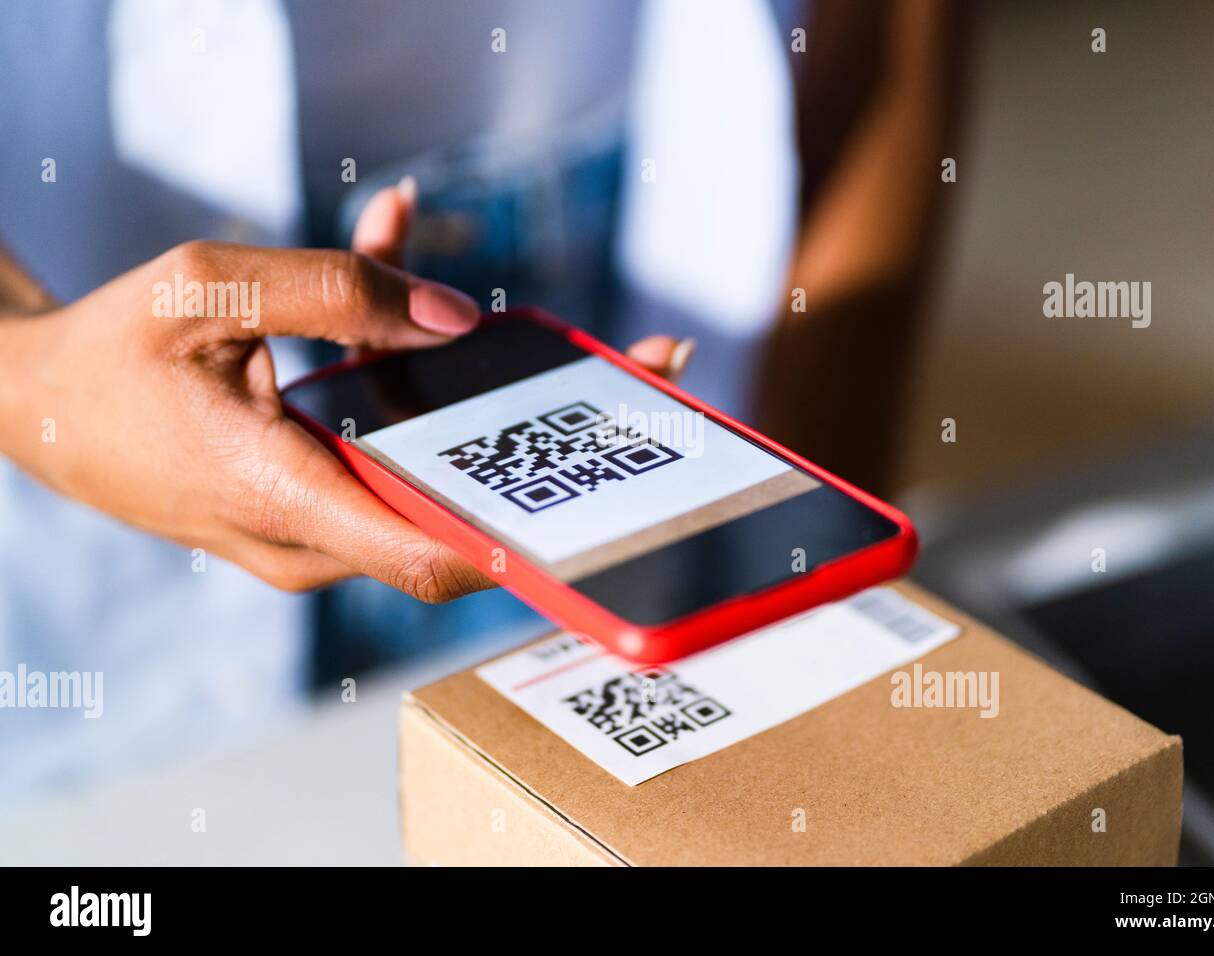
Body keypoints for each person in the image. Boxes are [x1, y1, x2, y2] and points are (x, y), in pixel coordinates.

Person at [0, 0, 961, 796]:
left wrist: (798, 602)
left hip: (629, 236)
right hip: (108, 576)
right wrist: (32, 374)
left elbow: (882, 39)